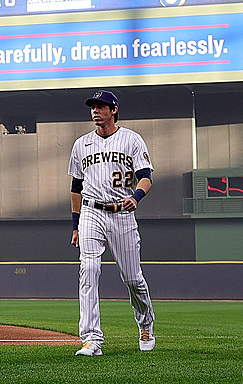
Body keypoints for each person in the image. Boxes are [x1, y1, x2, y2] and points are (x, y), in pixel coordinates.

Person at [69, 90, 156, 357]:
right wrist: (75, 225)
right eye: (93, 106)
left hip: (122, 213)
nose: (95, 110)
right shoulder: (81, 144)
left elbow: (146, 177)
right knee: (89, 269)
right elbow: (76, 188)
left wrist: (136, 197)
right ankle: (91, 338)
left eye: (101, 106)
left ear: (114, 110)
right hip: (91, 212)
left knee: (132, 278)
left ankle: (145, 325)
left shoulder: (132, 139)